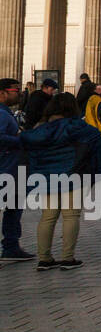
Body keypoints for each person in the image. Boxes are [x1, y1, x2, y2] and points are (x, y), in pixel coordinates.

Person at [13, 92, 101, 271]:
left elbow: (25, 153)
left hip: (45, 178)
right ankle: (67, 258)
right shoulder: (81, 128)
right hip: (74, 177)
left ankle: (44, 259)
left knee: (48, 217)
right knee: (71, 216)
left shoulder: (39, 131)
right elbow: (99, 149)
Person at [0, 78, 34, 262]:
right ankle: (10, 247)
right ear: (3, 93)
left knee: (13, 209)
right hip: (7, 169)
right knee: (12, 208)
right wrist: (21, 140)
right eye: (15, 90)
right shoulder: (2, 114)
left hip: (12, 168)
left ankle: (11, 247)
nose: (19, 93)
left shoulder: (7, 113)